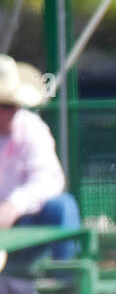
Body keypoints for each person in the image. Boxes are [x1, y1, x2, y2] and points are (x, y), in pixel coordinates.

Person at [0, 54, 80, 264]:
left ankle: (68, 286)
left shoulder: (31, 126)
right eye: (5, 105)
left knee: (63, 207)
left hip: (23, 224)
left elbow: (49, 179)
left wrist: (13, 206)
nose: (13, 111)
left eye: (14, 104)